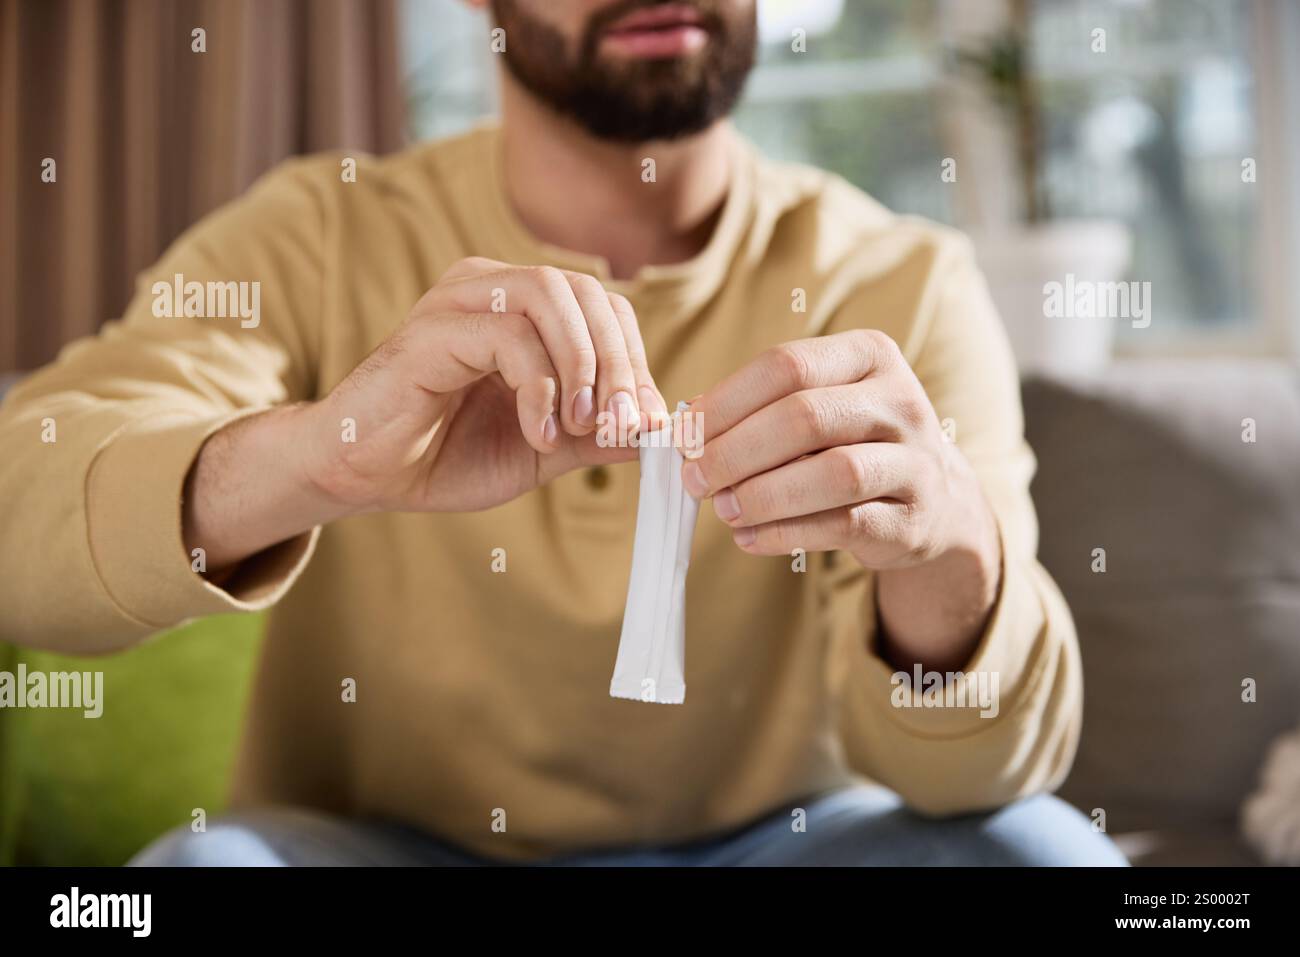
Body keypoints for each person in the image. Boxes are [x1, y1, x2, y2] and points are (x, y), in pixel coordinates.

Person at [0, 0, 1125, 866]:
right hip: (381, 850)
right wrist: (325, 454)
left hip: (794, 846)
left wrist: (949, 553)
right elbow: (23, 517)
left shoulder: (906, 282)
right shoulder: (313, 235)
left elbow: (987, 773)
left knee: (1044, 856)